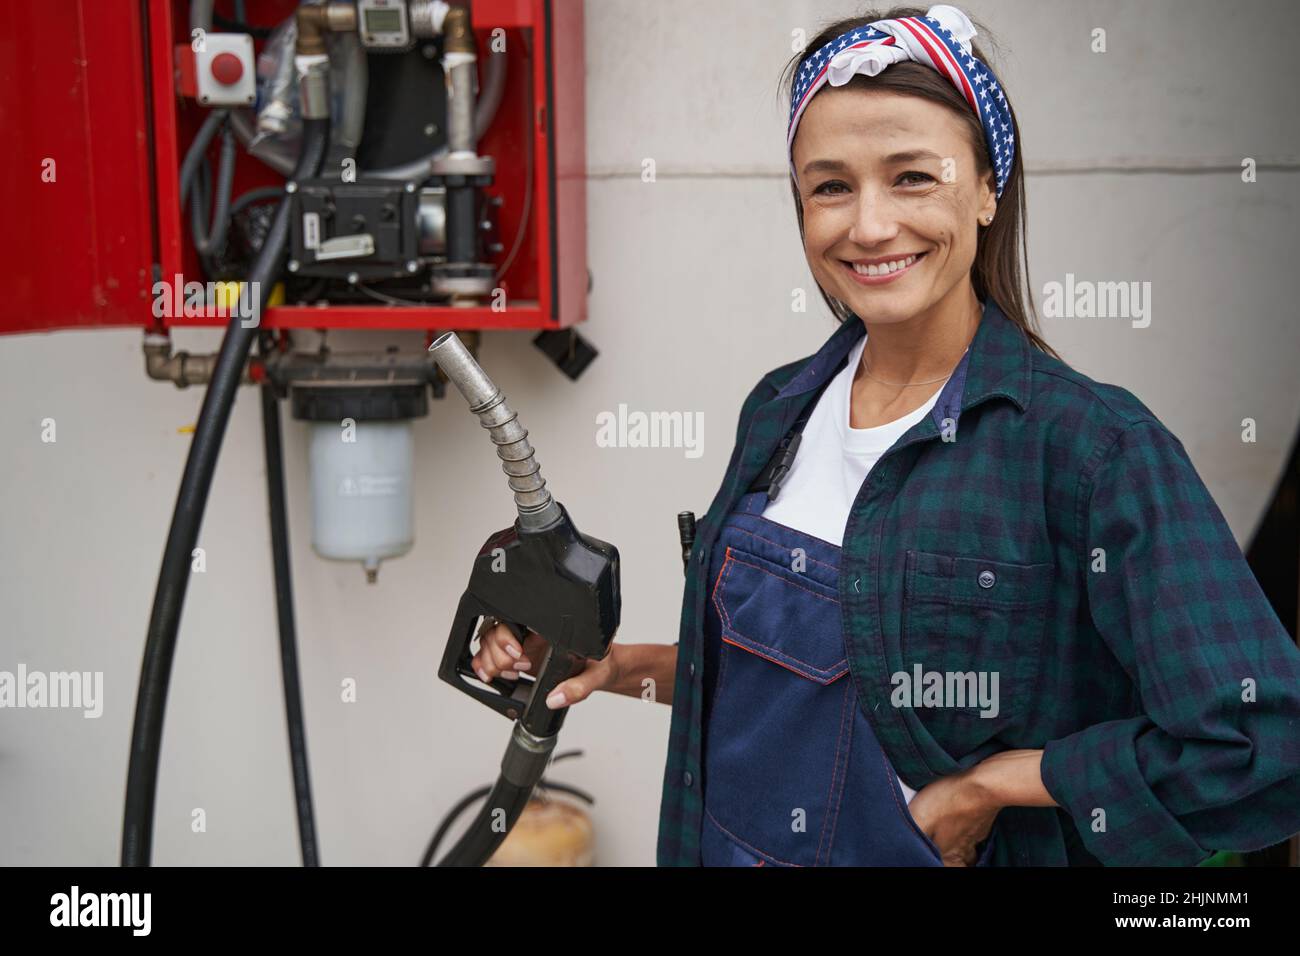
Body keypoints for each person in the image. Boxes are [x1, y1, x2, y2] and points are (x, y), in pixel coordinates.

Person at [473, 3, 1300, 866]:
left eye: (912, 176)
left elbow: (1262, 743)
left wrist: (1002, 782)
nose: (868, 226)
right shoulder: (779, 411)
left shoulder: (1092, 452)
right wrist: (614, 665)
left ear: (987, 189)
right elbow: (783, 685)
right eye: (830, 185)